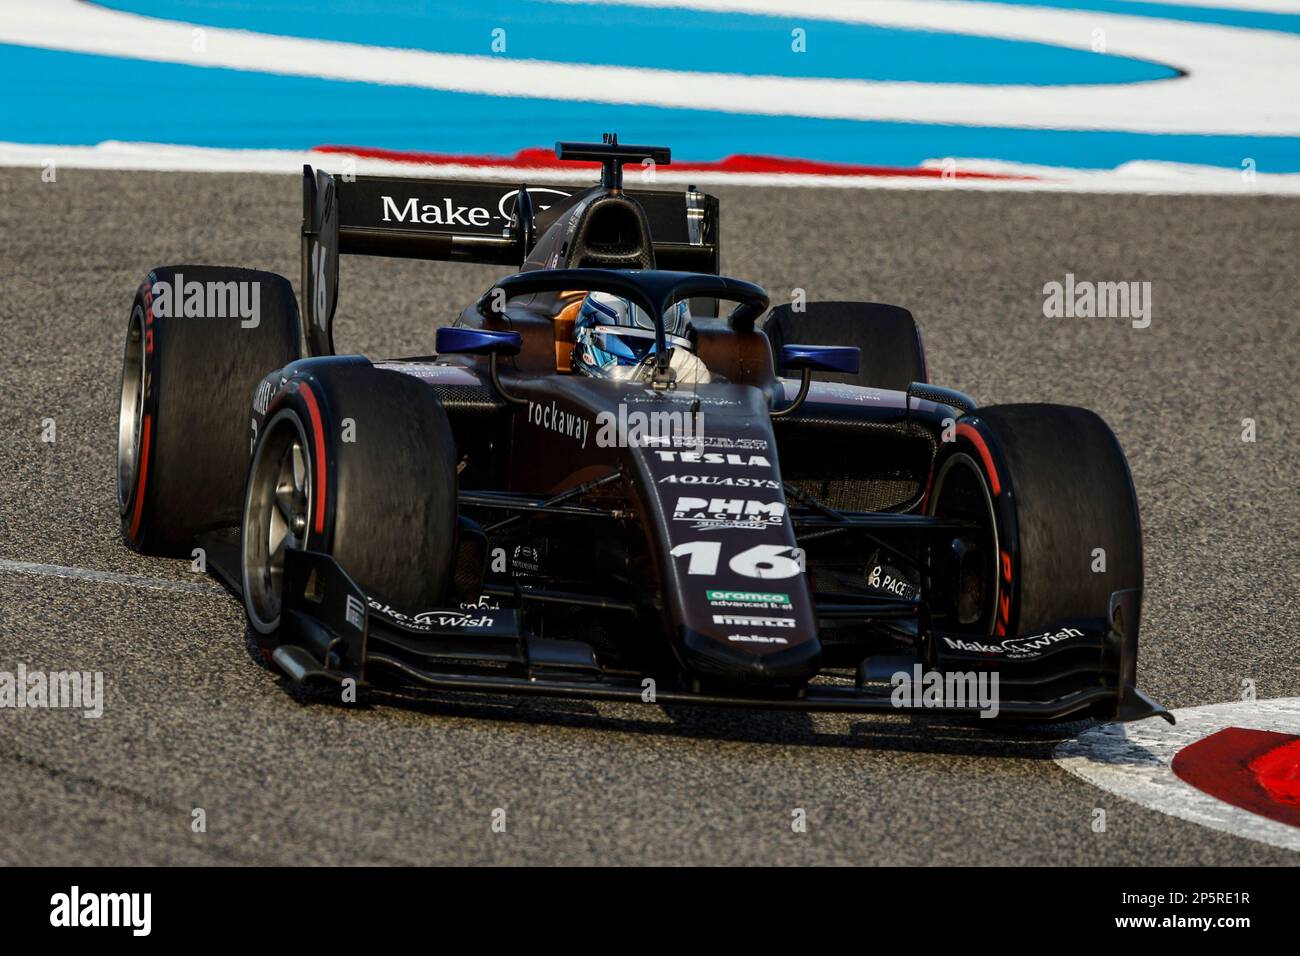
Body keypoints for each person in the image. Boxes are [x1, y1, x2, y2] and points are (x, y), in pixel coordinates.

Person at [566, 291, 712, 385]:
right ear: (588, 337)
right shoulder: (562, 404)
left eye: (663, 346)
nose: (651, 365)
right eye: (634, 343)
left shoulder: (685, 370)